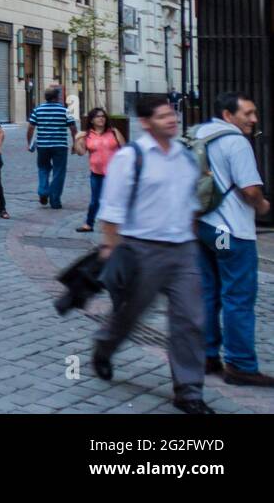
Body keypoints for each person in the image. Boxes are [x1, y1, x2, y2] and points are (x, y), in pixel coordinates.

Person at [92, 94, 211, 414]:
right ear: (145, 123)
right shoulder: (131, 158)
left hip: (183, 250)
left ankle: (188, 391)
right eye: (162, 116)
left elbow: (192, 205)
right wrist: (111, 249)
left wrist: (193, 237)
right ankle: (104, 347)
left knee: (190, 320)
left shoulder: (186, 158)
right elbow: (111, 210)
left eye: (171, 114)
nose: (171, 120)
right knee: (128, 315)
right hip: (142, 250)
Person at [194, 92, 274, 387]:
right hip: (228, 233)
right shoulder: (236, 142)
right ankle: (240, 364)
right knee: (238, 295)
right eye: (248, 114)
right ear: (228, 115)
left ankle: (206, 354)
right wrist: (264, 207)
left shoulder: (199, 133)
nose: (254, 119)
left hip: (202, 227)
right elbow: (250, 190)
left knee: (208, 291)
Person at [28, 84, 79, 209]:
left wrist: (29, 143)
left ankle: (43, 191)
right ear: (57, 97)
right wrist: (75, 143)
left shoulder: (38, 109)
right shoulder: (65, 110)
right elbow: (73, 128)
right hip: (60, 146)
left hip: (43, 146)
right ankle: (55, 200)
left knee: (43, 168)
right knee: (59, 172)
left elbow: (30, 127)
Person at [74, 107, 123, 233]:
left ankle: (122, 225)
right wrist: (76, 139)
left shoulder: (113, 132)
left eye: (103, 116)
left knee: (117, 199)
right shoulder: (87, 135)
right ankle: (89, 224)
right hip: (97, 173)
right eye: (98, 116)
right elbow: (80, 152)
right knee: (95, 201)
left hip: (115, 173)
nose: (101, 118)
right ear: (91, 120)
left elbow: (125, 148)